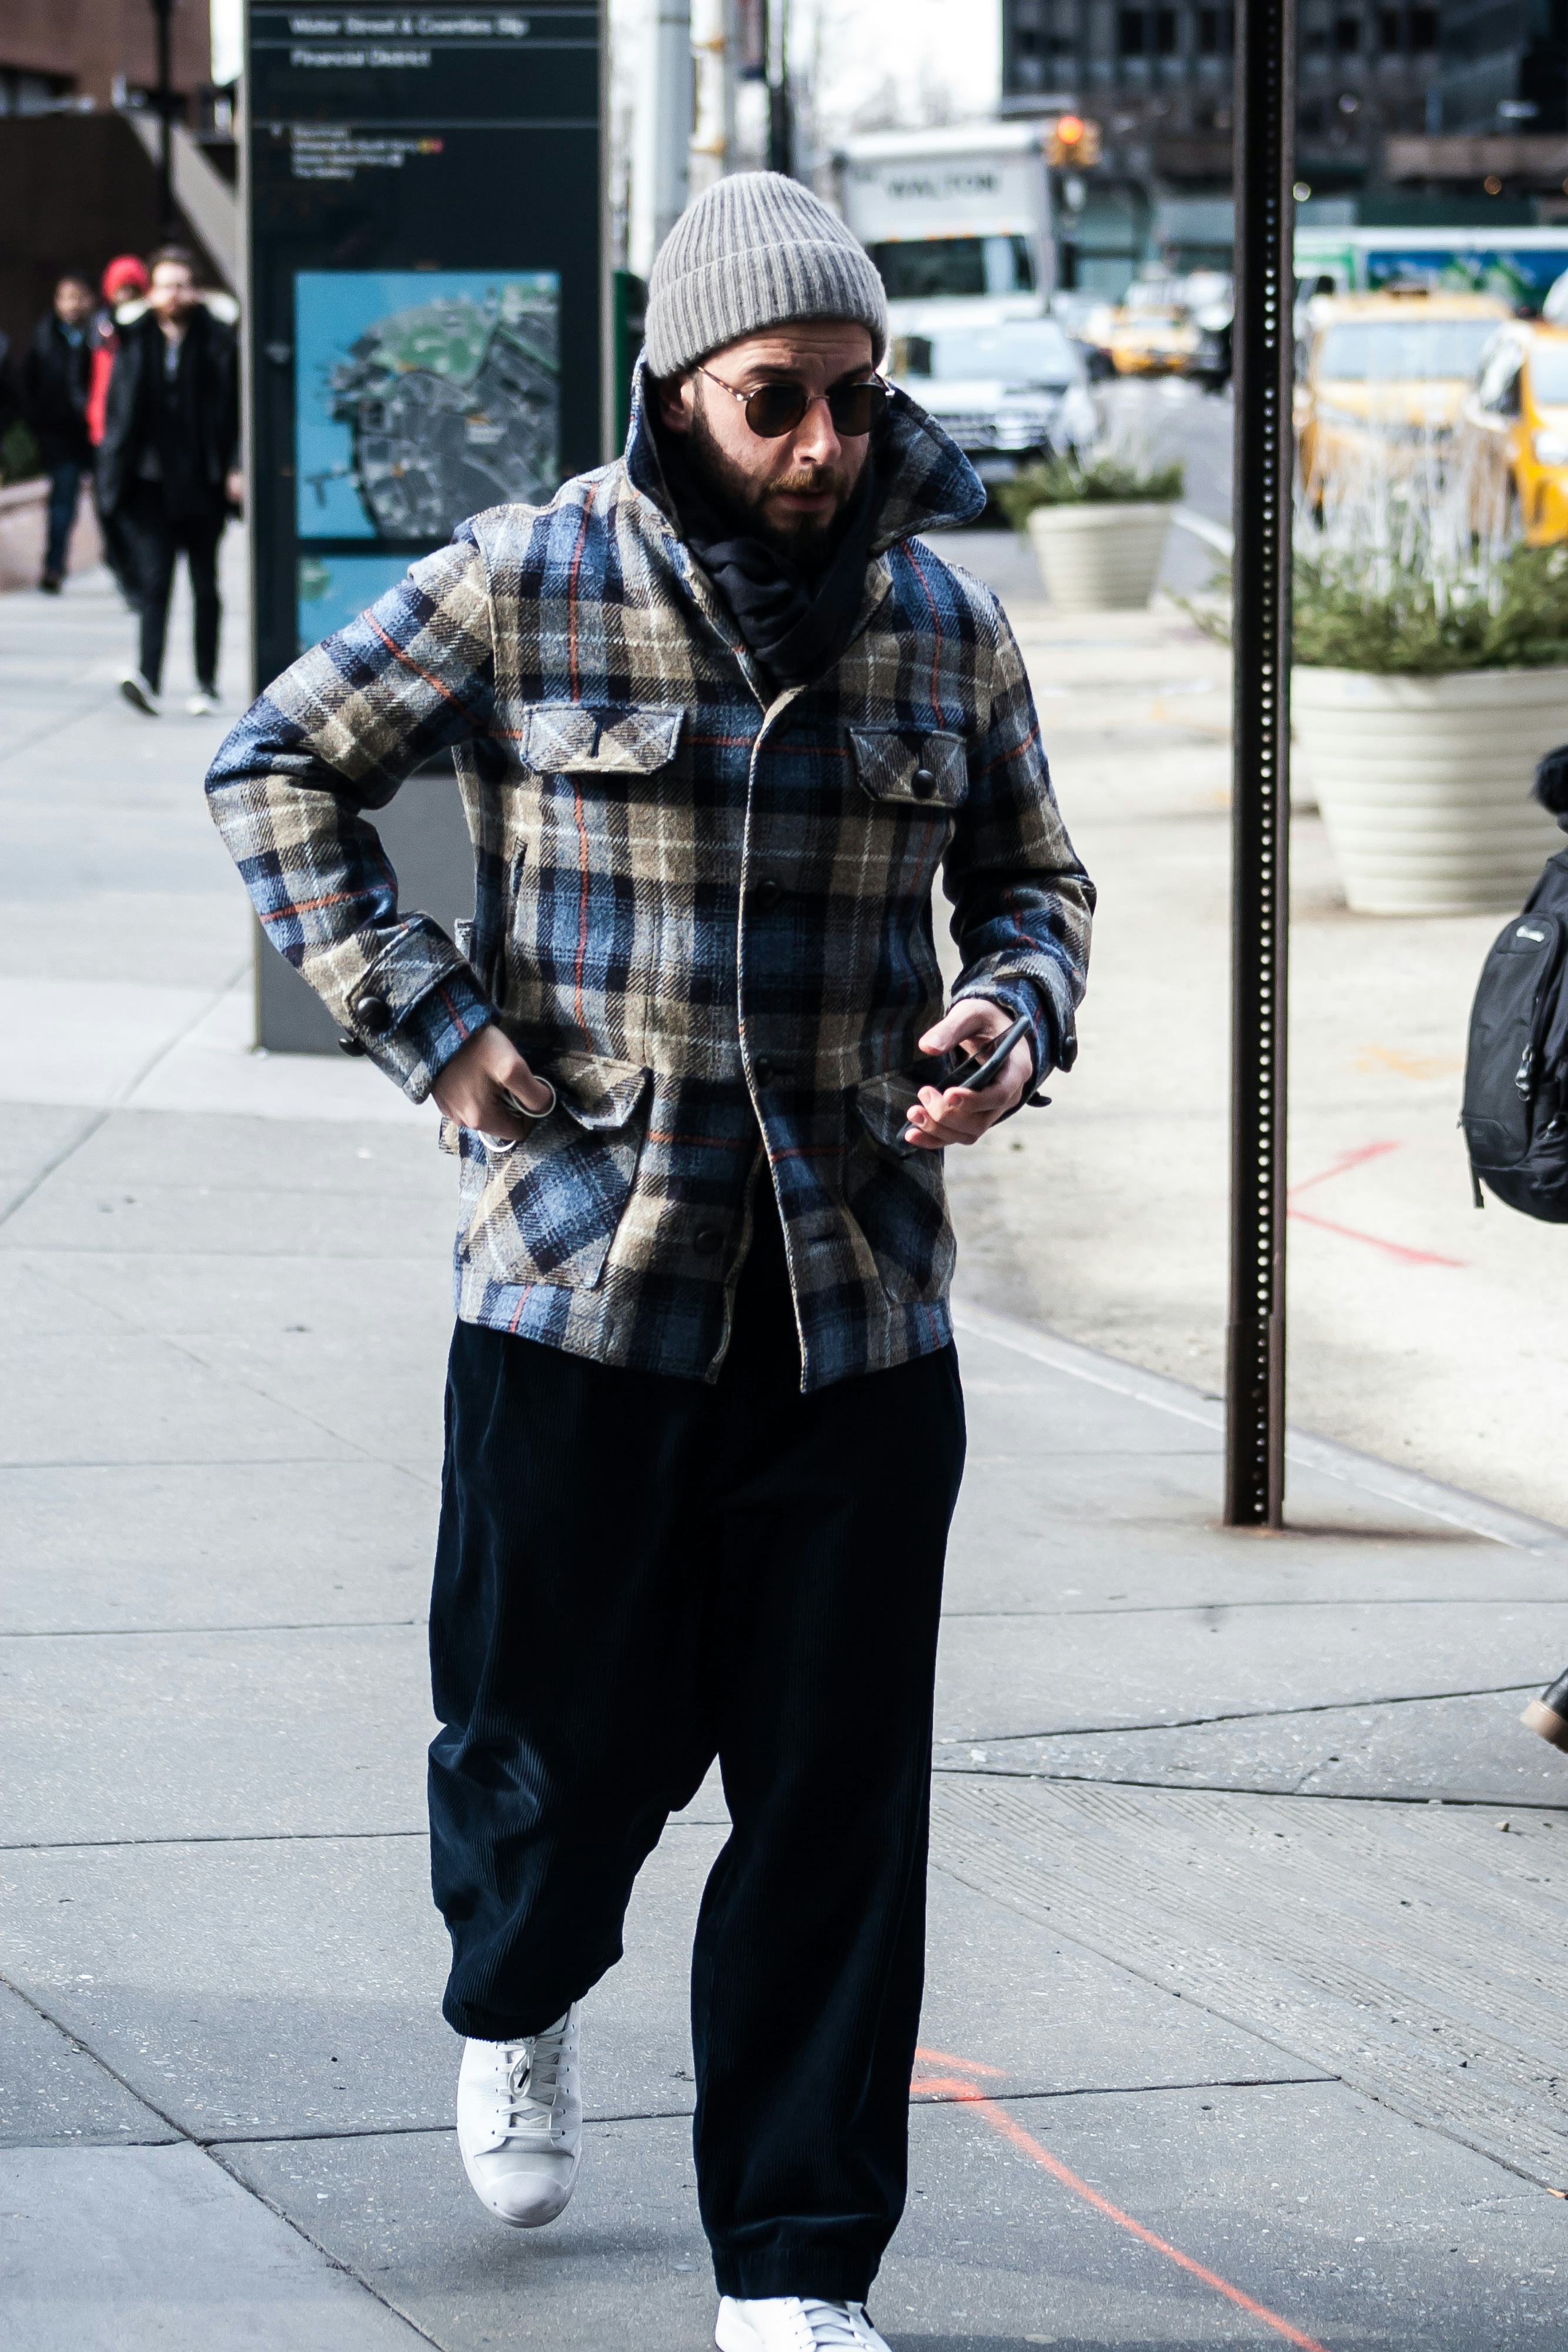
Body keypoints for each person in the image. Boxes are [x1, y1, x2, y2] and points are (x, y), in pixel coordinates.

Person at [206, 173, 1094, 2352]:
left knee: (829, 1798)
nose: (817, 443)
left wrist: (1011, 1016)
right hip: (579, 1286)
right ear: (681, 390)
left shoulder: (940, 627)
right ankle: (515, 1985)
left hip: (858, 1306)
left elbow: (1035, 883)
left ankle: (793, 2260)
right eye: (771, 400)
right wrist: (430, 1016)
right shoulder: (530, 579)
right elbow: (277, 765)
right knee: (547, 1752)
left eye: (847, 399)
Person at [96, 245, 240, 716]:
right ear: (151, 292)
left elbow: (236, 410)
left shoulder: (217, 340)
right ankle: (149, 678)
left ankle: (206, 683)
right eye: (164, 285)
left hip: (202, 482)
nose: (173, 294)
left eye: (181, 284)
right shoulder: (135, 339)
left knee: (205, 586)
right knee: (155, 583)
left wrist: (235, 467)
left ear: (195, 290)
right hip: (150, 483)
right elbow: (119, 411)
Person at [21, 272, 95, 593]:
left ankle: (130, 574)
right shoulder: (44, 338)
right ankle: (54, 566)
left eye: (79, 297)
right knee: (63, 502)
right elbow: (29, 387)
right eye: (67, 297)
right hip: (60, 435)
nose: (73, 305)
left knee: (110, 506)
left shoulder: (100, 336)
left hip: (98, 433)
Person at [86, 254, 151, 609]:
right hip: (104, 434)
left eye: (132, 288)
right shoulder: (101, 329)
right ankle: (127, 575)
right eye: (120, 289)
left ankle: (137, 580)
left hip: (136, 438)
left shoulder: (145, 330)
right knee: (108, 510)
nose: (126, 295)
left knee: (131, 513)